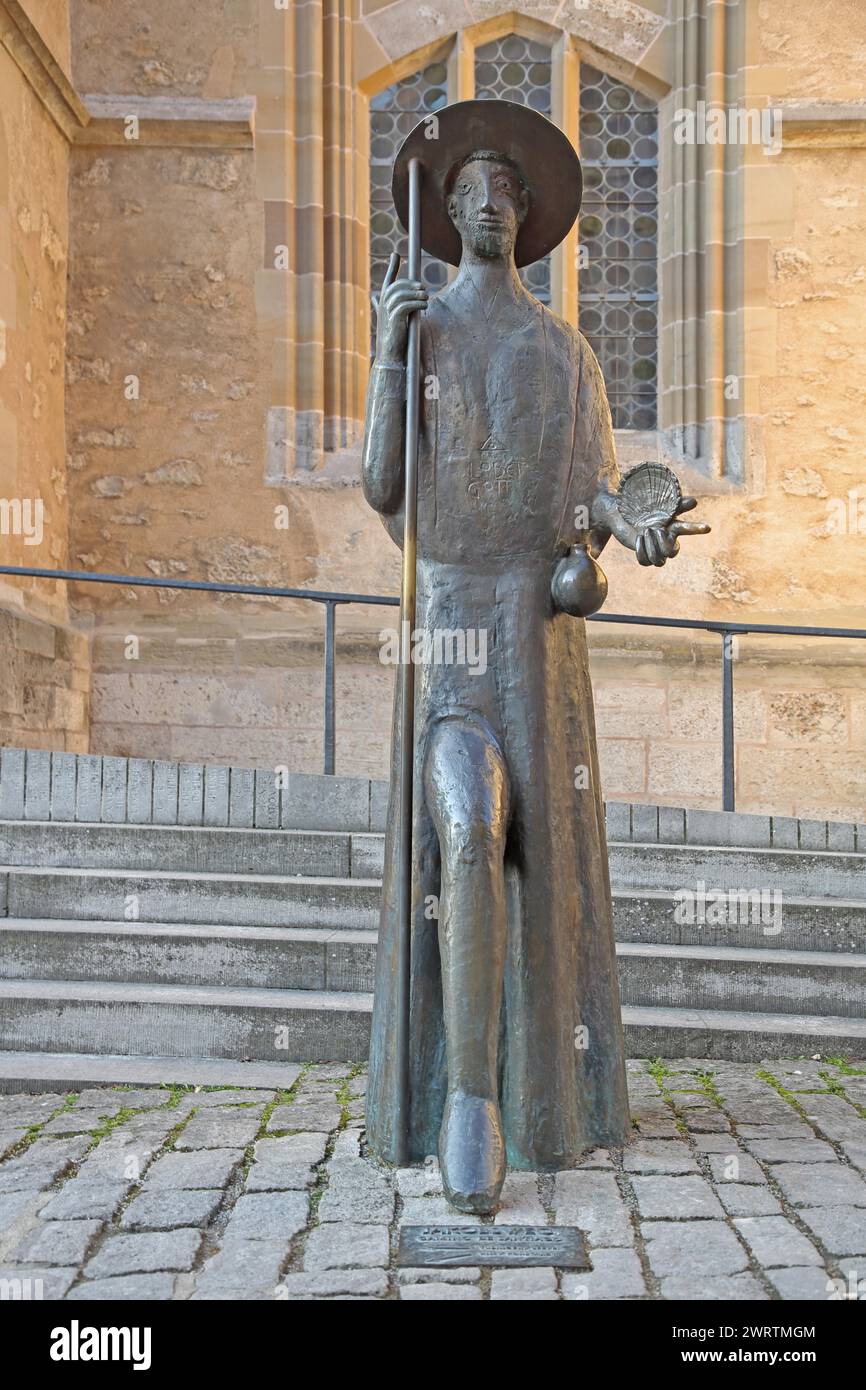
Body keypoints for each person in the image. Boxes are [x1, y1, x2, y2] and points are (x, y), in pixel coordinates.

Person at [362, 100, 709, 1214]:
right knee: (465, 829)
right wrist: (381, 351)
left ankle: (547, 1096)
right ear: (449, 210)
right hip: (451, 629)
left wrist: (633, 525)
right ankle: (468, 1095)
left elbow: (595, 496)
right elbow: (382, 490)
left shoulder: (565, 353)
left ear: (527, 216)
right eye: (472, 192)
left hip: (539, 639)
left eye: (507, 194)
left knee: (535, 866)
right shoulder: (420, 333)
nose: (490, 208)